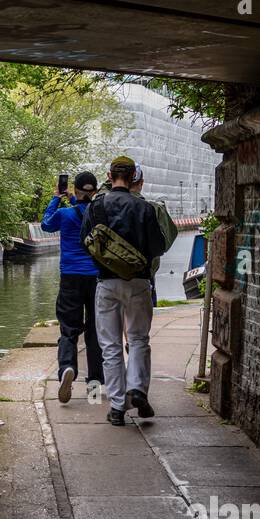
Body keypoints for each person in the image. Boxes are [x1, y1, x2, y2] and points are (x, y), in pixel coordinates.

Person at [81, 156, 167, 426]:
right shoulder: (145, 209)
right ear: (133, 177)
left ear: (109, 175)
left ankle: (117, 407)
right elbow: (157, 247)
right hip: (139, 282)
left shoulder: (96, 207)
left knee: (110, 346)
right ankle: (138, 389)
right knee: (139, 339)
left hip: (106, 282)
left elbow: (86, 242)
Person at [41, 171, 104, 403]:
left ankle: (67, 368)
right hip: (97, 278)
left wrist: (57, 198)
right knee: (95, 332)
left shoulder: (65, 214)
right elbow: (86, 209)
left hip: (70, 277)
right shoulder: (99, 213)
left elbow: (46, 225)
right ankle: (95, 390)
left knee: (69, 329)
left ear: (75, 190)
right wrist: (77, 199)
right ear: (95, 191)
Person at [129, 165, 178, 308]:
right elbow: (165, 243)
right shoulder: (152, 209)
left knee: (110, 328)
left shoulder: (102, 205)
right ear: (141, 183)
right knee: (140, 328)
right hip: (144, 275)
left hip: (110, 278)